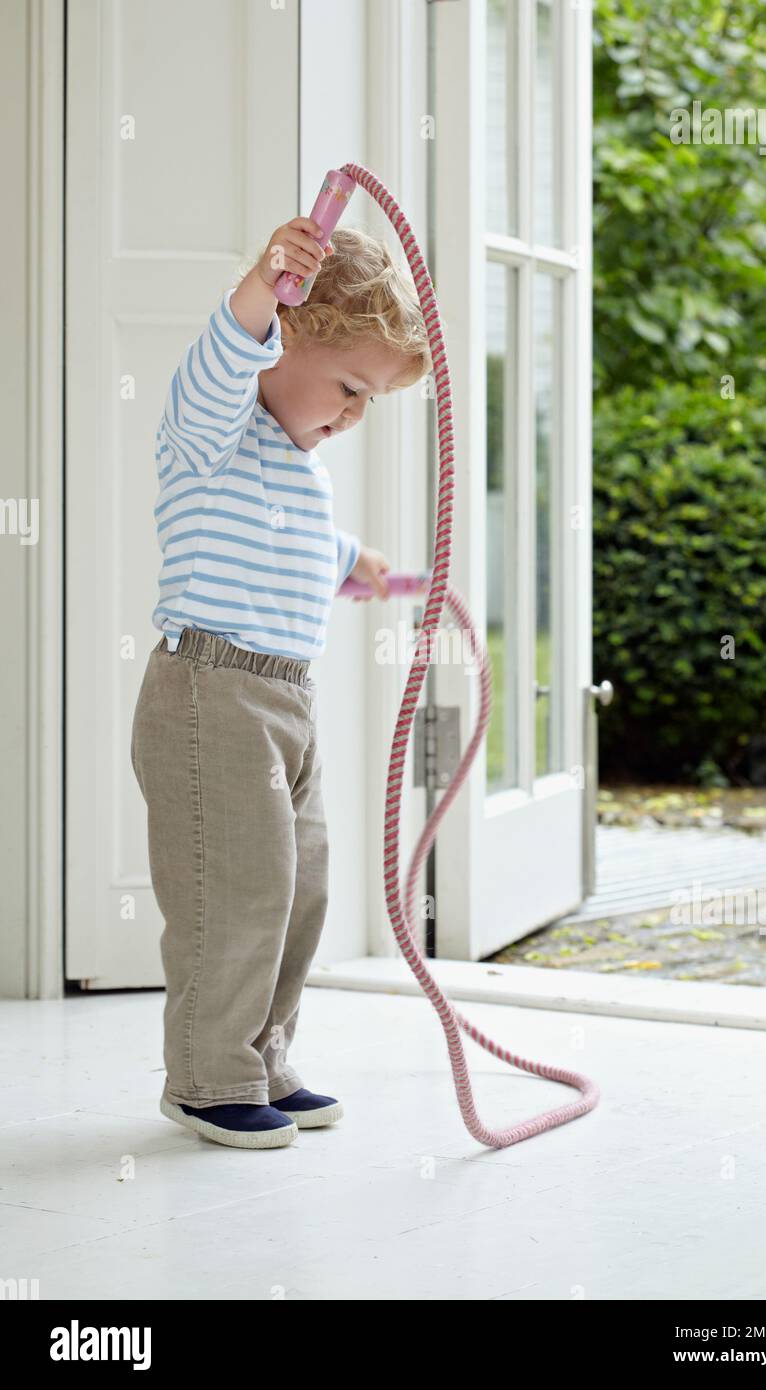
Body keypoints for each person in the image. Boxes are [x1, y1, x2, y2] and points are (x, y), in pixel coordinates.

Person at [130, 219, 431, 1149]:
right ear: (285, 334)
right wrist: (269, 280)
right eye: (348, 385)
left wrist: (362, 566)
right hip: (209, 691)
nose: (351, 414)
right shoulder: (208, 428)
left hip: (285, 700)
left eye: (369, 401)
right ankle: (207, 1076)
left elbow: (299, 549)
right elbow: (228, 352)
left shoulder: (297, 471)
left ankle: (260, 1056)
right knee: (238, 891)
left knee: (299, 887)